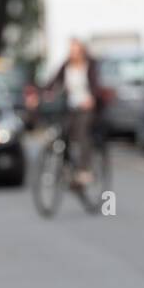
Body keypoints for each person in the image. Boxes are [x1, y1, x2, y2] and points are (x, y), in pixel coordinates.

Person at [43, 38, 105, 183]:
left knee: (82, 132)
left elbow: (96, 84)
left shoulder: (90, 65)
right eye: (71, 51)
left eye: (76, 51)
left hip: (87, 106)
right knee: (63, 133)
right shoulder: (66, 66)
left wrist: (92, 99)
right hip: (71, 106)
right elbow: (53, 81)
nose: (73, 54)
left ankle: (85, 169)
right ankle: (67, 166)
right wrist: (45, 93)